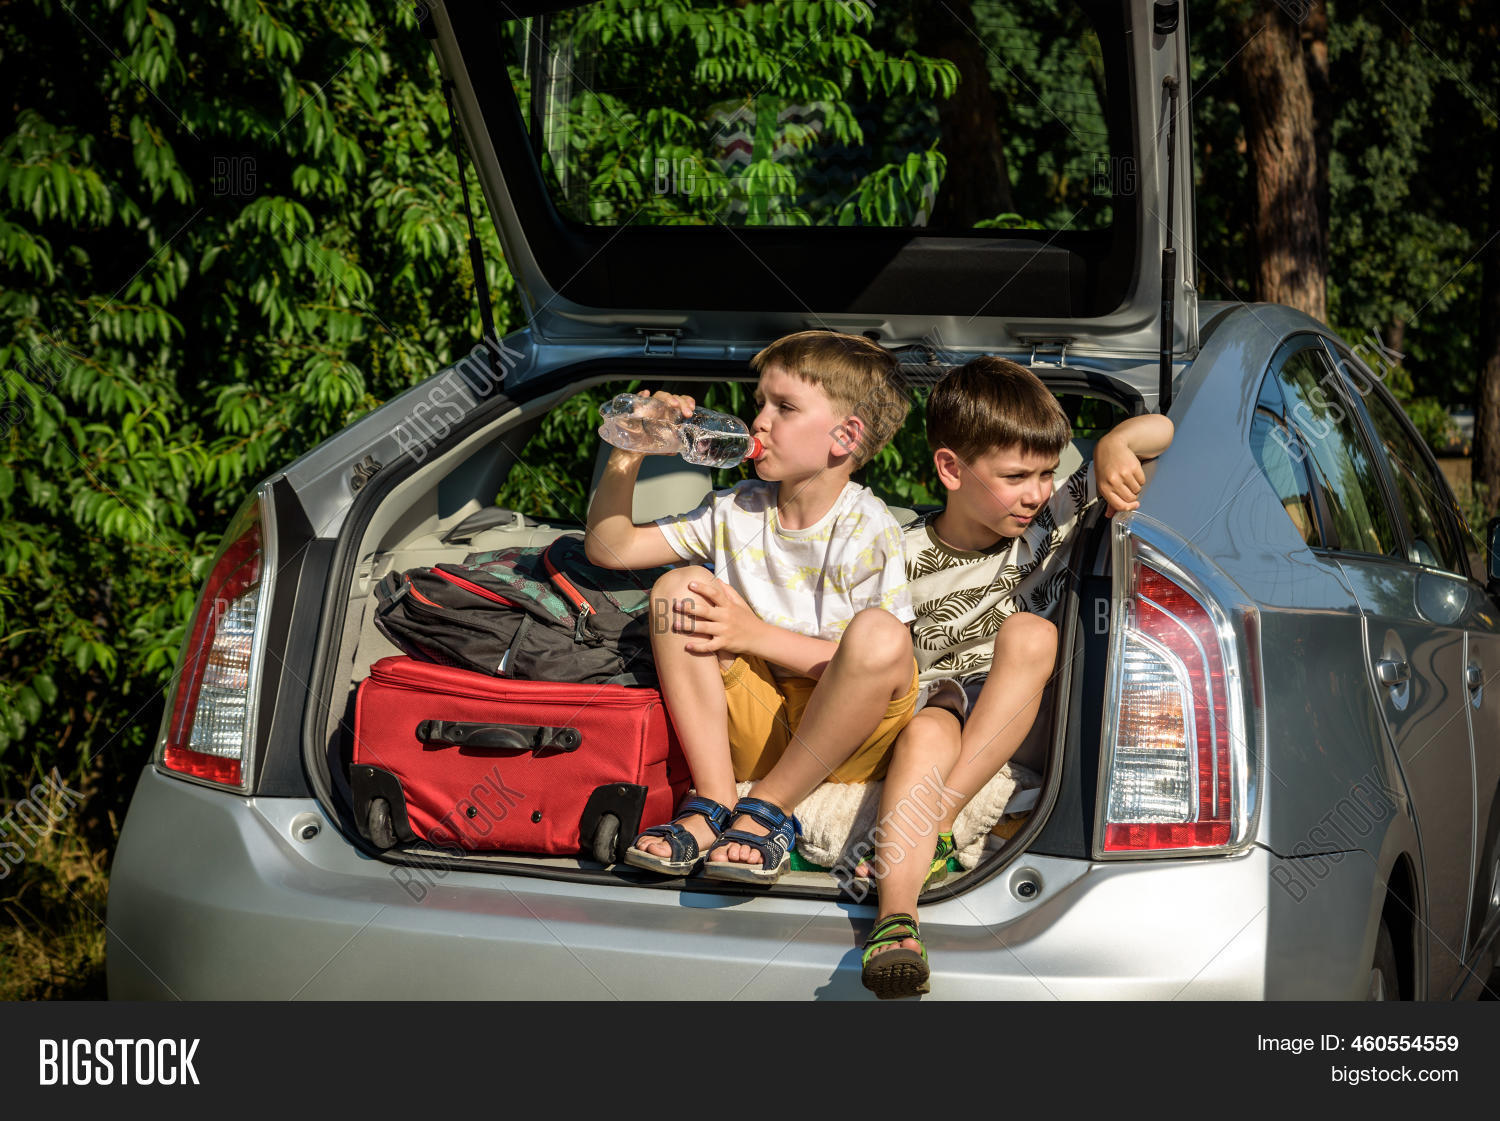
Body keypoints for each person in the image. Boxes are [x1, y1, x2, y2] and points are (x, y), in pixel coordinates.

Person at [858, 355, 1174, 998]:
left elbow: (1167, 430)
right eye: (1015, 477)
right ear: (951, 470)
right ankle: (896, 918)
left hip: (1026, 718)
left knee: (1031, 633)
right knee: (926, 733)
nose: (1035, 492)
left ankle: (936, 822)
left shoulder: (1051, 522)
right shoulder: (895, 551)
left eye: (1046, 473)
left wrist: (1113, 443)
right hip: (936, 712)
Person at [584, 330, 920, 884]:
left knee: (882, 635)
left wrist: (752, 635)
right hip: (761, 720)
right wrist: (630, 447)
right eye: (760, 402)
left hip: (848, 740)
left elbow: (871, 665)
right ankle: (714, 799)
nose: (758, 421)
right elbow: (609, 547)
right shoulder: (734, 509)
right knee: (677, 590)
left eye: (784, 407)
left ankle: (770, 806)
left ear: (845, 436)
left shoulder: (868, 526)